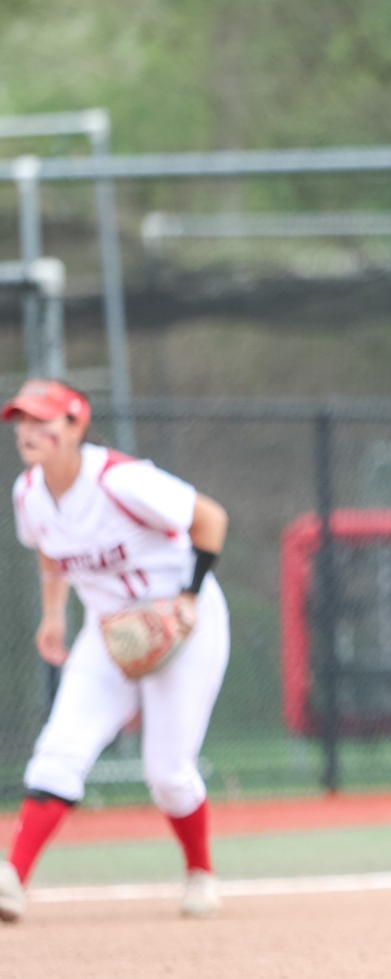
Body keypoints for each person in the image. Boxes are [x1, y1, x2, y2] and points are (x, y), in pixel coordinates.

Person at [0, 380, 230, 922]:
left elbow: (210, 519)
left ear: (76, 426)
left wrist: (188, 598)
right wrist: (55, 616)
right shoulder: (29, 493)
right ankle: (12, 879)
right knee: (60, 749)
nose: (28, 432)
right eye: (21, 422)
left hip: (182, 623)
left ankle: (201, 872)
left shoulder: (120, 480)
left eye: (43, 421)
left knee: (168, 773)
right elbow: (50, 556)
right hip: (108, 631)